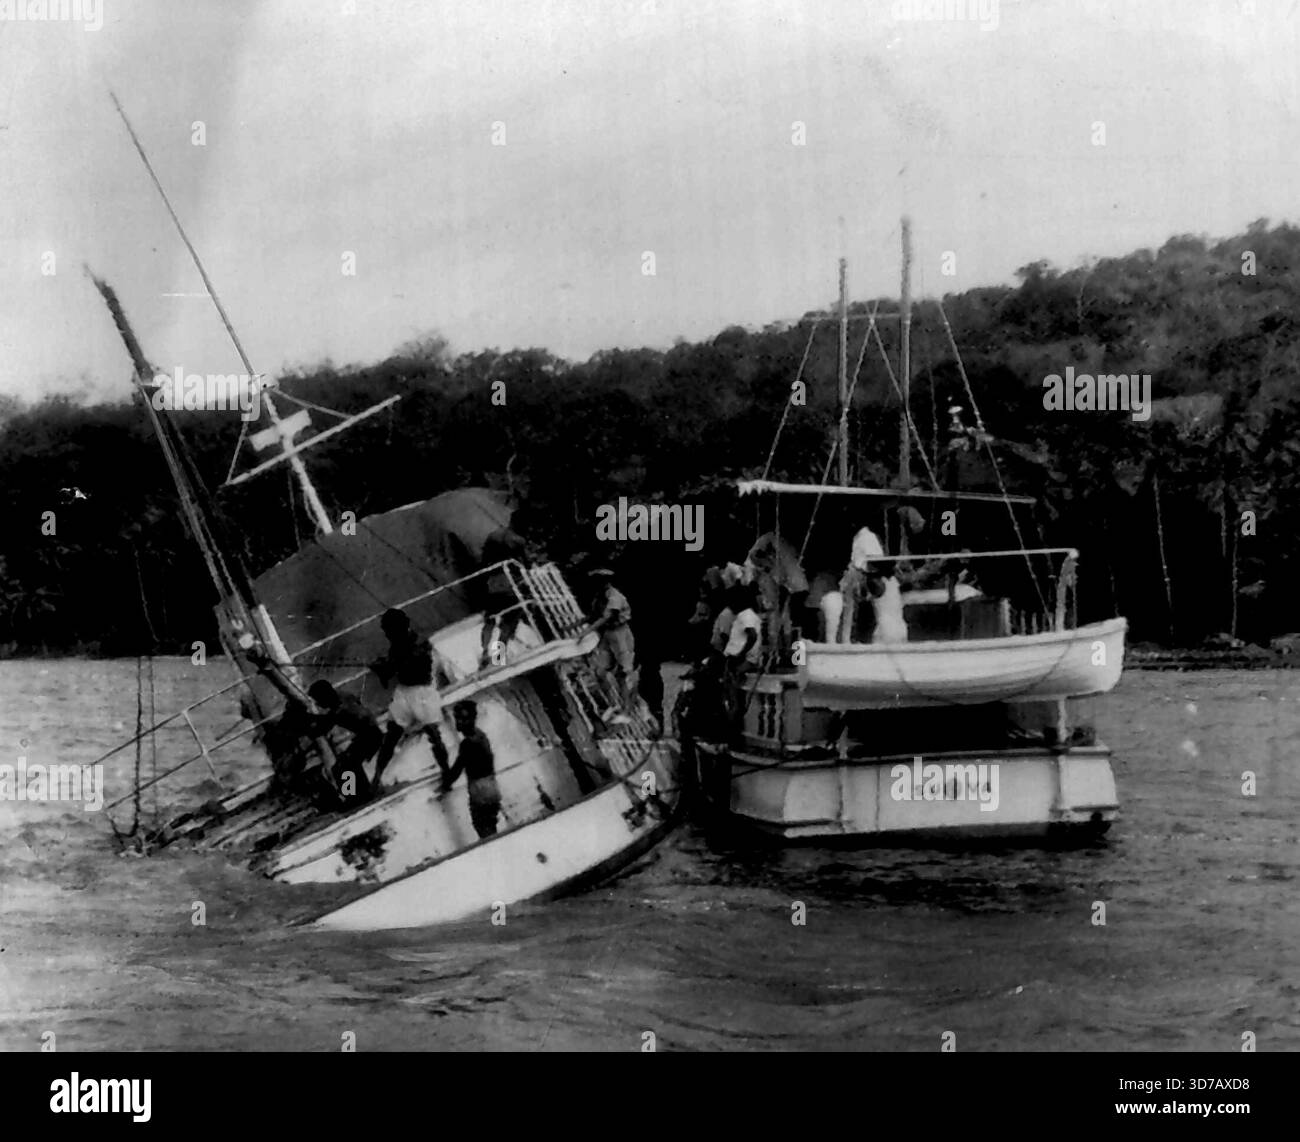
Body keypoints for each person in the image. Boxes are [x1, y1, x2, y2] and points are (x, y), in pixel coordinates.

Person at [370, 608, 451, 785]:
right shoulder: (399, 646)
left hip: (423, 691)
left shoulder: (414, 644)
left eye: (388, 630)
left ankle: (447, 771)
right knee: (391, 737)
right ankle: (376, 778)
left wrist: (384, 668)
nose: (387, 634)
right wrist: (382, 669)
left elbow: (407, 667)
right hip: (405, 691)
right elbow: (391, 673)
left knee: (433, 735)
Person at [306, 680, 379, 804]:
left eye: (317, 700)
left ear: (325, 696)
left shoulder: (340, 709)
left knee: (344, 766)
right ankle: (363, 793)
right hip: (369, 734)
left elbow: (325, 724)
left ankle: (354, 797)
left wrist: (309, 721)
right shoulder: (343, 697)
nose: (318, 704)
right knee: (349, 764)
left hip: (370, 737)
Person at [438, 699, 501, 839]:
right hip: (491, 786)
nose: (460, 722)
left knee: (484, 831)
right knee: (490, 827)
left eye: (463, 719)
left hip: (480, 791)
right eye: (458, 718)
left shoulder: (468, 744)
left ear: (472, 719)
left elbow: (455, 771)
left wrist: (444, 784)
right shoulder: (480, 735)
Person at [587, 568, 636, 723]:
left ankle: (626, 711)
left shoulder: (615, 597)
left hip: (620, 634)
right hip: (607, 635)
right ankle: (613, 704)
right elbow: (593, 616)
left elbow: (606, 617)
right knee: (600, 671)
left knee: (623, 673)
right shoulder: (599, 597)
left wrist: (584, 633)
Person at [839, 522, 886, 643]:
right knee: (848, 610)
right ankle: (847, 639)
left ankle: (857, 638)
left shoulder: (868, 537)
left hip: (864, 576)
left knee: (858, 610)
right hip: (856, 575)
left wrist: (863, 575)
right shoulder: (858, 537)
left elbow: (875, 561)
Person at [723, 584, 763, 675]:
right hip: (739, 657)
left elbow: (752, 636)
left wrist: (741, 654)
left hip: (742, 659)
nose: (729, 605)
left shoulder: (746, 615)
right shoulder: (744, 615)